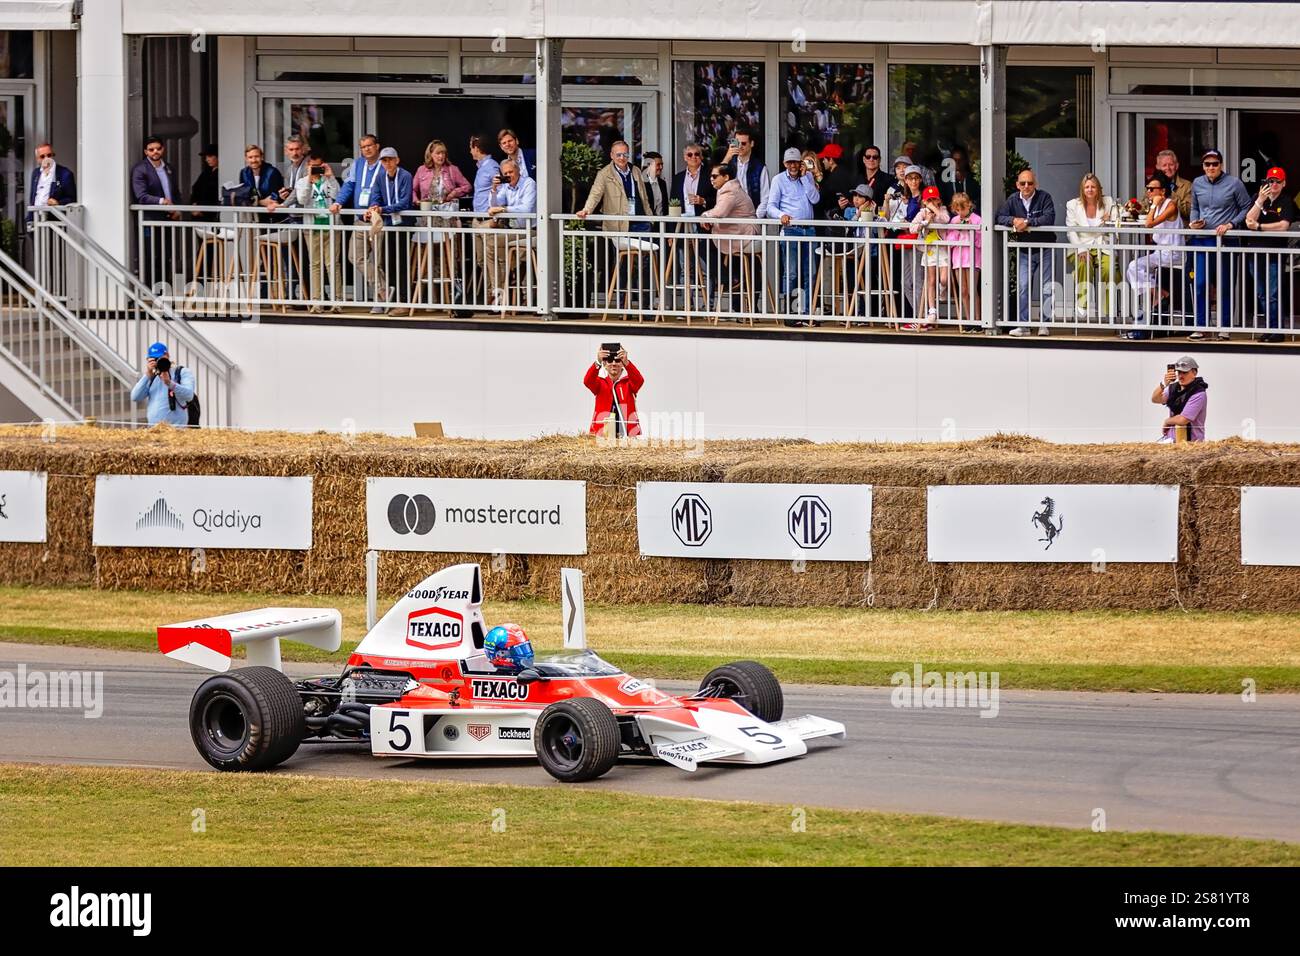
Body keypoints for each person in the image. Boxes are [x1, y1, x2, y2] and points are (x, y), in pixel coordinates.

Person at [1187, 148, 1252, 340]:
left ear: (1221, 165)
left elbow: (1246, 207)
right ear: (1203, 166)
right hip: (1202, 239)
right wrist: (1193, 222)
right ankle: (1202, 326)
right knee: (1200, 284)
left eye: (1215, 164)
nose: (1211, 167)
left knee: (1224, 285)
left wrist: (1231, 224)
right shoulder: (1198, 183)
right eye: (1207, 164)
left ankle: (1224, 326)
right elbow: (1194, 207)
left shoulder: (1234, 183)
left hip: (1226, 240)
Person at [994, 167, 1057, 336]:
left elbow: (1049, 218)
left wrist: (1027, 222)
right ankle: (1024, 325)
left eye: (1030, 183)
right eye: (1023, 183)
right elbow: (1000, 217)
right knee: (1023, 287)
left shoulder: (1044, 197)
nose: (1027, 186)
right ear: (1017, 185)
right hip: (1024, 251)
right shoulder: (1012, 200)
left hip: (1045, 248)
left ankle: (1045, 324)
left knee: (1047, 288)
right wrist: (1014, 220)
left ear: (1035, 184)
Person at [1122, 172, 1184, 340]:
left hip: (1173, 253)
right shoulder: (1156, 205)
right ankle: (1157, 294)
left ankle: (1157, 295)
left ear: (1162, 191)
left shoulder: (1171, 205)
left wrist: (1154, 206)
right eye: (1147, 189)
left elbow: (1149, 224)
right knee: (1135, 267)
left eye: (1152, 189)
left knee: (1135, 266)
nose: (1148, 192)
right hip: (1160, 252)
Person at [329, 134, 386, 309]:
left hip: (377, 220)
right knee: (354, 256)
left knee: (377, 260)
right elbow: (349, 185)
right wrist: (339, 201)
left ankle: (380, 301)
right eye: (363, 147)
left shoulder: (385, 164)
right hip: (360, 220)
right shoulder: (358, 164)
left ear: (377, 146)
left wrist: (378, 207)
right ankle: (383, 290)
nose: (366, 149)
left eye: (369, 145)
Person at [765, 147, 821, 324]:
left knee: (810, 272)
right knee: (791, 272)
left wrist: (806, 177)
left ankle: (807, 312)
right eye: (789, 163)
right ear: (784, 164)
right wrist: (781, 215)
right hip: (791, 229)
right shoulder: (778, 180)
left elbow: (815, 199)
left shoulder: (808, 177)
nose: (793, 166)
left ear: (801, 163)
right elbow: (770, 206)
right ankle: (790, 314)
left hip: (809, 229)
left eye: (795, 162)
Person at [699, 163, 759, 313]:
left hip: (743, 234)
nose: (711, 179)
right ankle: (731, 281)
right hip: (738, 233)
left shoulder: (729, 191)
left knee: (703, 247)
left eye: (714, 176)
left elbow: (719, 212)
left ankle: (727, 279)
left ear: (726, 177)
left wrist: (704, 215)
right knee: (709, 247)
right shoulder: (729, 188)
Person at [479, 159, 538, 307]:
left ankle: (498, 291)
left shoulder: (528, 183)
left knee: (491, 242)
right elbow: (493, 205)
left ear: (518, 171)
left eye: (511, 172)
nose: (508, 175)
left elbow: (526, 209)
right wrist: (493, 189)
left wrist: (505, 210)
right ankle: (501, 289)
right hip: (514, 231)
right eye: (505, 173)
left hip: (530, 230)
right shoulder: (505, 186)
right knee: (489, 244)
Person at [1243, 165, 1292, 342]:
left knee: (1273, 294)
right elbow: (1248, 219)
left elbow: (1283, 226)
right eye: (1270, 181)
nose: (1273, 185)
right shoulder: (1258, 197)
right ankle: (1270, 328)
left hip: (1274, 254)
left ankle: (1277, 330)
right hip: (1255, 253)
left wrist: (1260, 227)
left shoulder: (1286, 201)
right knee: (1262, 294)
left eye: (1277, 182)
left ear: (1284, 183)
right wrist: (1259, 201)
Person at [1065, 173, 1119, 318]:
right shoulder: (1072, 204)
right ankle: (1082, 304)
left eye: (1093, 187)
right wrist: (1081, 249)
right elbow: (1071, 231)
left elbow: (1118, 219)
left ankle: (1107, 309)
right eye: (1087, 187)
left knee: (1109, 269)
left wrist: (1110, 218)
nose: (1090, 189)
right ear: (1082, 189)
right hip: (1081, 244)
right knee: (1084, 264)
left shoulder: (1107, 201)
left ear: (1098, 189)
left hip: (1103, 246)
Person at [130, 136, 182, 287]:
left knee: (166, 255)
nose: (155, 152)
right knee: (151, 255)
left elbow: (175, 192)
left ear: (163, 149)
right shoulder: (140, 169)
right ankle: (151, 290)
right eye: (151, 149)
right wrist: (162, 201)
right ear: (146, 152)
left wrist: (177, 208)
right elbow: (141, 196)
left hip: (168, 218)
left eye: (158, 148)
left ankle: (164, 288)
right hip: (150, 219)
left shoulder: (169, 168)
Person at [295, 151, 342, 314]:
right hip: (312, 228)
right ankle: (316, 302)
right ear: (308, 166)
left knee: (332, 264)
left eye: (318, 167)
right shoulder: (302, 182)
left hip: (331, 227)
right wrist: (309, 180)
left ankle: (337, 302)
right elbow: (302, 200)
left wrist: (330, 176)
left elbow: (337, 196)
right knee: (314, 265)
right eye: (312, 167)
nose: (315, 170)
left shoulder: (328, 179)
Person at [370, 146, 413, 315]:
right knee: (387, 263)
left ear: (397, 160)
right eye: (384, 160)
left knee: (401, 263)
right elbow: (375, 196)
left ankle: (404, 301)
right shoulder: (380, 176)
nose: (387, 163)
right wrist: (374, 206)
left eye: (390, 159)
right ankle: (394, 300)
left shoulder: (405, 176)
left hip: (403, 225)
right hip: (388, 225)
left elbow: (404, 202)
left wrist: (382, 209)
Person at [910, 185, 950, 329]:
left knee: (944, 278)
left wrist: (935, 210)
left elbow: (946, 220)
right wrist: (923, 222)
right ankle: (932, 310)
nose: (932, 202)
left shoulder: (942, 210)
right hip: (929, 249)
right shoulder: (922, 212)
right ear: (924, 201)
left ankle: (943, 289)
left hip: (942, 248)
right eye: (929, 200)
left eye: (935, 199)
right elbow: (912, 227)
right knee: (930, 279)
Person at [130, 341, 196, 427]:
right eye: (154, 359)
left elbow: (189, 395)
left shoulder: (181, 372)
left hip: (177, 430)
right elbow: (135, 397)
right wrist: (148, 374)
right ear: (148, 360)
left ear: (167, 356)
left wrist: (169, 383)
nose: (158, 361)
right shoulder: (151, 377)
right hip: (154, 430)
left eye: (160, 358)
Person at [584, 345, 643, 438]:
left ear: (622, 364)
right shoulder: (599, 383)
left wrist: (627, 362)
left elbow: (639, 380)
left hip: (627, 434)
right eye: (610, 360)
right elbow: (588, 381)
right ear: (605, 365)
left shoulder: (629, 383)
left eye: (618, 360)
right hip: (602, 434)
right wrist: (597, 362)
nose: (614, 363)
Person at [945, 192, 982, 332]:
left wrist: (972, 229)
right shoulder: (954, 221)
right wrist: (959, 230)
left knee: (973, 289)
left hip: (973, 258)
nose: (960, 212)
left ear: (969, 206)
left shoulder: (977, 219)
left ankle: (977, 320)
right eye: (957, 210)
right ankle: (968, 319)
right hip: (958, 259)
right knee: (964, 290)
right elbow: (949, 240)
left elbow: (981, 241)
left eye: (963, 209)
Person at [1151, 355, 1208, 442]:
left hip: (1191, 444)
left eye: (1184, 373)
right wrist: (1163, 384)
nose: (1180, 376)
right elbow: (1155, 399)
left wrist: (1167, 421)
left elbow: (1183, 420)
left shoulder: (1199, 393)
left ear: (1194, 372)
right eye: (1179, 372)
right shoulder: (1173, 388)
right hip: (1171, 440)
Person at [722, 127, 770, 218]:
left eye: (743, 143)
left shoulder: (760, 167)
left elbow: (765, 198)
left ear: (751, 144)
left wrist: (755, 217)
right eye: (737, 143)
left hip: (751, 216)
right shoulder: (729, 164)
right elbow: (717, 183)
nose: (740, 146)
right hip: (730, 216)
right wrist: (727, 157)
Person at [412, 139, 471, 206]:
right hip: (428, 212)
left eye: (443, 153)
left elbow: (467, 186)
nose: (441, 156)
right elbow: (412, 190)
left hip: (448, 212)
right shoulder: (421, 170)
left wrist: (454, 193)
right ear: (430, 154)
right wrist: (416, 201)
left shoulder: (452, 169)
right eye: (438, 153)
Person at [27, 143, 76, 223]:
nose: (46, 159)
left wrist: (58, 203)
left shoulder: (65, 174)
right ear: (37, 159)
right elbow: (33, 197)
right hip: (35, 220)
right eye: (42, 156)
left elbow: (72, 199)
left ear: (53, 155)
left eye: (49, 155)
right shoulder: (36, 173)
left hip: (53, 222)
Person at [670, 143, 715, 218]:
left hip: (704, 222)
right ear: (685, 158)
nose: (693, 157)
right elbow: (673, 203)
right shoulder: (677, 178)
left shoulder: (710, 175)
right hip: (682, 224)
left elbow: (718, 199)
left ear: (701, 157)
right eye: (690, 154)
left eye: (697, 154)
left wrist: (703, 201)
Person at [239, 144, 284, 210]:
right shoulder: (244, 173)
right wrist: (260, 202)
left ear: (262, 157)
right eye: (250, 157)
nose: (254, 160)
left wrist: (254, 201)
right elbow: (243, 196)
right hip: (252, 214)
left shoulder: (272, 172)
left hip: (271, 213)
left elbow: (275, 197)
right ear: (246, 159)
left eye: (256, 156)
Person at [1154, 149, 1193, 223]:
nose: (1168, 168)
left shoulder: (1187, 185)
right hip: (1157, 230)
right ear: (1158, 167)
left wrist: (1169, 197)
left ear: (1177, 166)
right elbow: (1144, 209)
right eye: (1164, 165)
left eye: (1171, 165)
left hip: (1180, 231)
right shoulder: (1153, 185)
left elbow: (1189, 211)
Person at [938, 145, 979, 210]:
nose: (957, 163)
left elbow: (979, 199)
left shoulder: (974, 179)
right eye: (955, 160)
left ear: (965, 161)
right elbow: (942, 200)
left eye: (960, 160)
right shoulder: (945, 180)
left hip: (972, 215)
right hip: (951, 216)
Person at [188, 144, 220, 218]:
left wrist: (203, 211)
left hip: (211, 215)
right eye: (206, 157)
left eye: (210, 156)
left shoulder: (221, 173)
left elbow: (213, 195)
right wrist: (193, 205)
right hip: (198, 214)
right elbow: (195, 188)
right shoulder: (206, 172)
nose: (207, 159)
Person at [642, 151, 670, 217]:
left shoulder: (662, 183)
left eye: (662, 164)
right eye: (658, 164)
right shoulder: (640, 183)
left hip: (662, 224)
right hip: (646, 224)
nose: (661, 167)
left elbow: (664, 207)